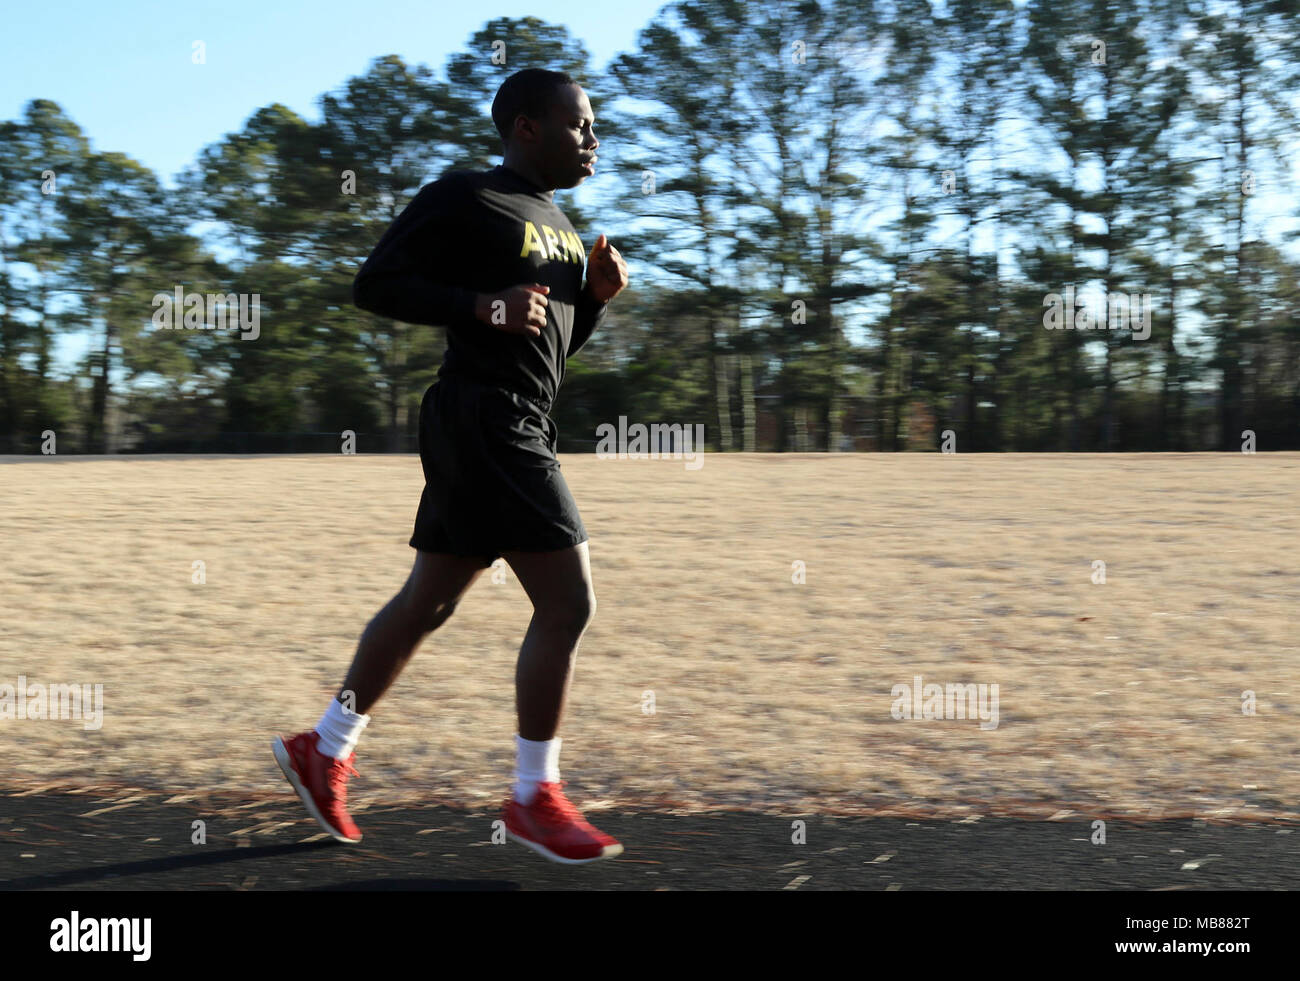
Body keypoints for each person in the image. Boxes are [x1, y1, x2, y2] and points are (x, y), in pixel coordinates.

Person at [272, 67, 628, 864]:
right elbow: (376, 283)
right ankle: (535, 794)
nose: (594, 140)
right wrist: (477, 305)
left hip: (511, 417)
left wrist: (596, 300)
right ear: (527, 128)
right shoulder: (467, 197)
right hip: (486, 416)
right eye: (580, 126)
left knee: (428, 601)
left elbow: (550, 346)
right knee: (568, 602)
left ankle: (324, 747)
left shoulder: (565, 228)